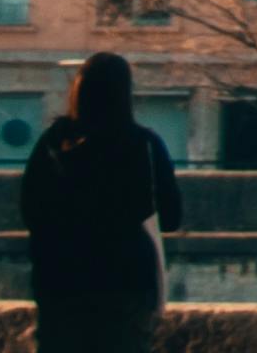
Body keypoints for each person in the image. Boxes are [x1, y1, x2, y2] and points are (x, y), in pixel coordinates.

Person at [18, 56, 183, 353]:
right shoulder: (142, 144)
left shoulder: (52, 142)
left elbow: (30, 210)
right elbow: (171, 217)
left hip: (60, 282)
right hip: (125, 284)